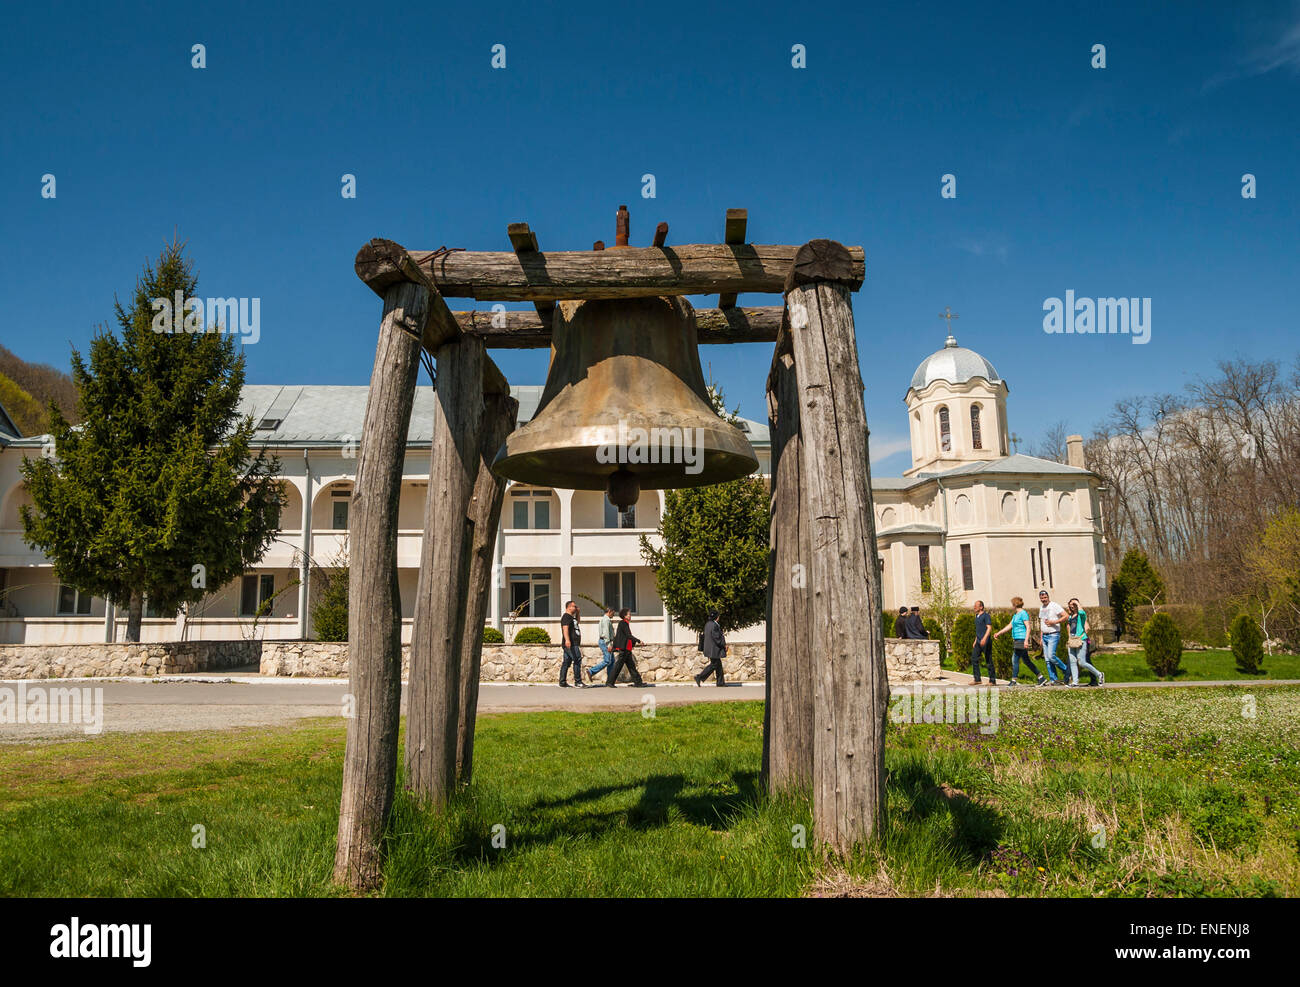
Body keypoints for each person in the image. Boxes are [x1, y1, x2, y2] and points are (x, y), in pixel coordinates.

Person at [994, 596, 1046, 686]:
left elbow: (1028, 627)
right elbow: (1009, 626)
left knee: (1015, 659)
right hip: (1017, 639)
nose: (1011, 606)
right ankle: (1041, 677)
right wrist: (999, 633)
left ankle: (1014, 680)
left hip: (1021, 639)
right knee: (1026, 661)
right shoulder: (1015, 615)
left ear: (1015, 604)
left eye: (1012, 604)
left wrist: (1026, 641)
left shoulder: (1023, 613)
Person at [1065, 598, 1105, 687]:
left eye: (1074, 605)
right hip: (1072, 640)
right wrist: (1069, 639)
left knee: (1082, 662)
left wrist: (1077, 603)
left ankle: (1099, 674)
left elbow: (1082, 612)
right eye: (1071, 605)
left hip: (1081, 639)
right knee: (1072, 661)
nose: (1072, 606)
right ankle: (1075, 682)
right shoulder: (1071, 617)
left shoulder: (1081, 616)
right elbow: (1069, 628)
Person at [1036, 590, 1070, 684]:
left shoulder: (1054, 605)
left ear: (1048, 597)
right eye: (1042, 598)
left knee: (1051, 656)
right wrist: (1041, 637)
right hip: (1045, 636)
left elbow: (1066, 616)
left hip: (1053, 634)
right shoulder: (1041, 608)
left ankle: (1067, 671)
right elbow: (1042, 622)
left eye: (1045, 597)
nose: (1044, 599)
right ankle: (1053, 679)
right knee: (1047, 660)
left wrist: (1054, 622)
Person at [607, 608, 646, 687]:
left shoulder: (625, 623)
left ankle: (638, 683)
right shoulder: (623, 623)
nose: (630, 616)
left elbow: (626, 637)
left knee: (631, 667)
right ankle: (610, 682)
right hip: (624, 650)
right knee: (618, 667)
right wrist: (638, 641)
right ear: (625, 616)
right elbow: (628, 635)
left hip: (627, 650)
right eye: (629, 614)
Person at [694, 610, 727, 686]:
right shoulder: (714, 625)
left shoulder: (708, 624)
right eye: (718, 616)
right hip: (714, 649)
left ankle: (720, 683)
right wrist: (723, 645)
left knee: (718, 666)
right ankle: (699, 677)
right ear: (716, 617)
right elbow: (717, 638)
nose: (719, 617)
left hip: (709, 648)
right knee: (714, 665)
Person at [586, 606, 616, 683]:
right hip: (605, 641)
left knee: (612, 661)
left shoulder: (605, 619)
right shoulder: (606, 620)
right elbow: (606, 633)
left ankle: (610, 680)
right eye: (613, 612)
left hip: (605, 641)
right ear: (609, 611)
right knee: (607, 661)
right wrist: (609, 644)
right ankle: (591, 671)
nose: (614, 614)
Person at [969, 600, 996, 685]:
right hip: (978, 641)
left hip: (986, 641)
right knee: (974, 659)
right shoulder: (976, 616)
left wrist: (984, 638)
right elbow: (978, 630)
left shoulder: (986, 616)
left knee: (988, 660)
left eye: (976, 606)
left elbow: (989, 628)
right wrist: (975, 640)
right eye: (974, 605)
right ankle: (977, 679)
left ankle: (992, 680)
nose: (974, 607)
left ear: (981, 607)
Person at [559, 600, 585, 688]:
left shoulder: (572, 617)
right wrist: (567, 640)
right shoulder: (566, 617)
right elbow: (565, 628)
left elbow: (577, 622)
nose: (576, 607)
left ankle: (562, 682)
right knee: (577, 660)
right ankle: (578, 681)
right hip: (571, 643)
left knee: (566, 662)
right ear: (569, 607)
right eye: (574, 606)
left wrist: (578, 613)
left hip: (574, 643)